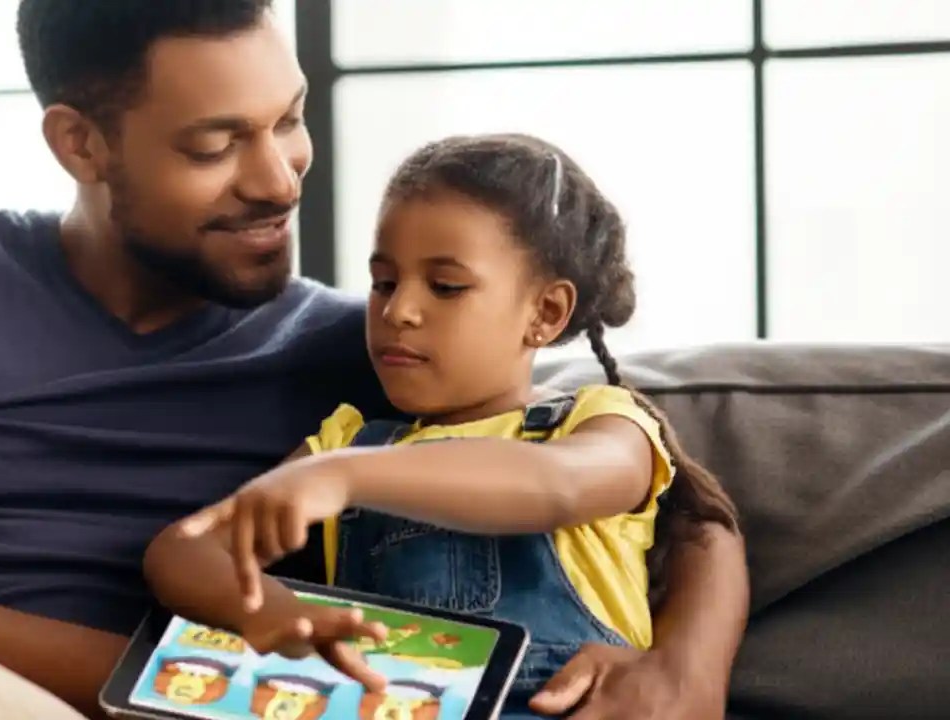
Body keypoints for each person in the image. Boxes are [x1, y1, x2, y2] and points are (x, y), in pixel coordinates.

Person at [0, 2, 748, 719]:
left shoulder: (365, 349)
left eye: (288, 122)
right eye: (213, 143)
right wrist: (191, 653)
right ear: (79, 144)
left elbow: (649, 489)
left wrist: (685, 669)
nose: (279, 179)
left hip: (92, 709)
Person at [145, 133, 743, 718]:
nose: (397, 310)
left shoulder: (599, 423)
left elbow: (554, 486)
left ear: (545, 312)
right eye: (383, 281)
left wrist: (346, 477)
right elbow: (183, 551)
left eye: (446, 286)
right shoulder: (349, 439)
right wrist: (267, 608)